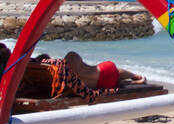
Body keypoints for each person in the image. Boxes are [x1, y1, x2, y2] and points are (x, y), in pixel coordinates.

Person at [0, 43, 146, 104]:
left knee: (113, 72)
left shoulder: (21, 69)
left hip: (96, 74)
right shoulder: (61, 72)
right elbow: (89, 95)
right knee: (113, 71)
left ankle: (134, 78)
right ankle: (135, 77)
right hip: (102, 73)